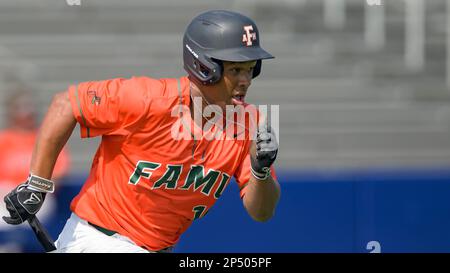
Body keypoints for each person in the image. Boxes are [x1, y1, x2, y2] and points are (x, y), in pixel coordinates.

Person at [2, 10, 280, 253]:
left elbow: (262, 212)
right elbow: (66, 104)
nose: (246, 80)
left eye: (250, 69)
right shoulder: (147, 98)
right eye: (236, 69)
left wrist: (261, 171)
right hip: (100, 240)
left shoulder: (247, 123)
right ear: (205, 67)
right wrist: (38, 184)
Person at [0, 89, 70, 252]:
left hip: (36, 195)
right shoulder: (4, 139)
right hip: (4, 195)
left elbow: (56, 178)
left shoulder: (47, 139)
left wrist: (29, 191)